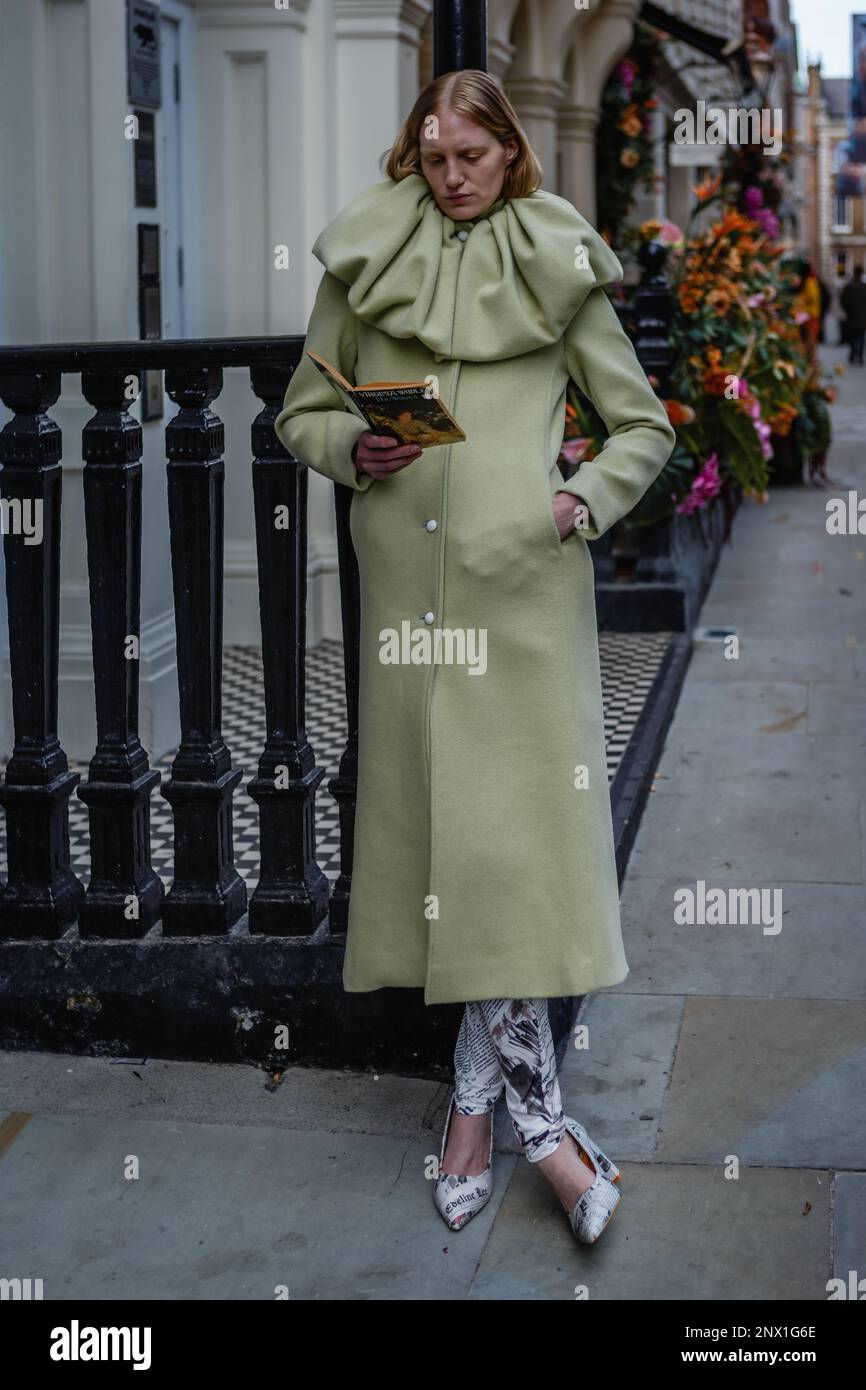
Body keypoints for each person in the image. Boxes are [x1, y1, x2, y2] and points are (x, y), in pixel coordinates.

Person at [275, 70, 675, 1247]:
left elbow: (641, 424)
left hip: (524, 603)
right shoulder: (370, 259)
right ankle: (509, 1120)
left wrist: (574, 505)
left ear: (510, 152)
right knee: (455, 850)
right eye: (434, 154)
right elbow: (302, 409)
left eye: (471, 155)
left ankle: (505, 1124)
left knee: (499, 853)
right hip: (407, 602)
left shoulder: (554, 260)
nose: (450, 175)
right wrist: (356, 445)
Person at [839, 265, 866, 365]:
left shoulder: (849, 286)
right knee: (861, 336)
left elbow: (843, 300)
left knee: (852, 336)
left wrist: (847, 310)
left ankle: (853, 353)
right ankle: (859, 355)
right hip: (862, 317)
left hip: (852, 316)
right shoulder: (864, 287)